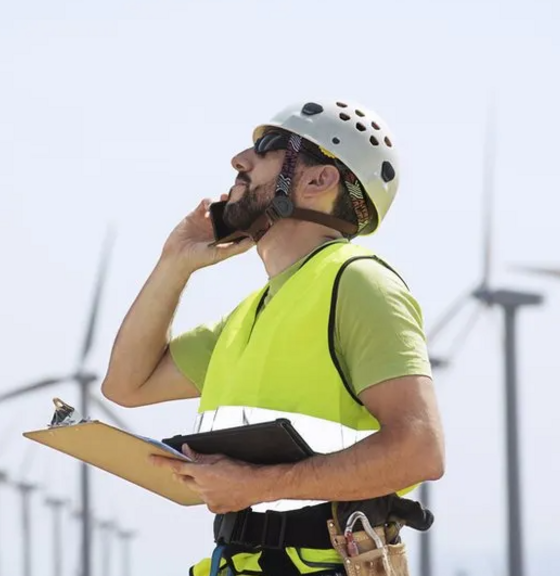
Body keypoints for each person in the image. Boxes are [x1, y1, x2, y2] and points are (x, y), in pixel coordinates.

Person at [100, 99, 446, 576]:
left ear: (318, 179)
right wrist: (174, 263)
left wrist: (257, 484)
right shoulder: (250, 313)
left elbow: (420, 450)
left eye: (265, 148)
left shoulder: (359, 283)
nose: (239, 160)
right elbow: (125, 385)